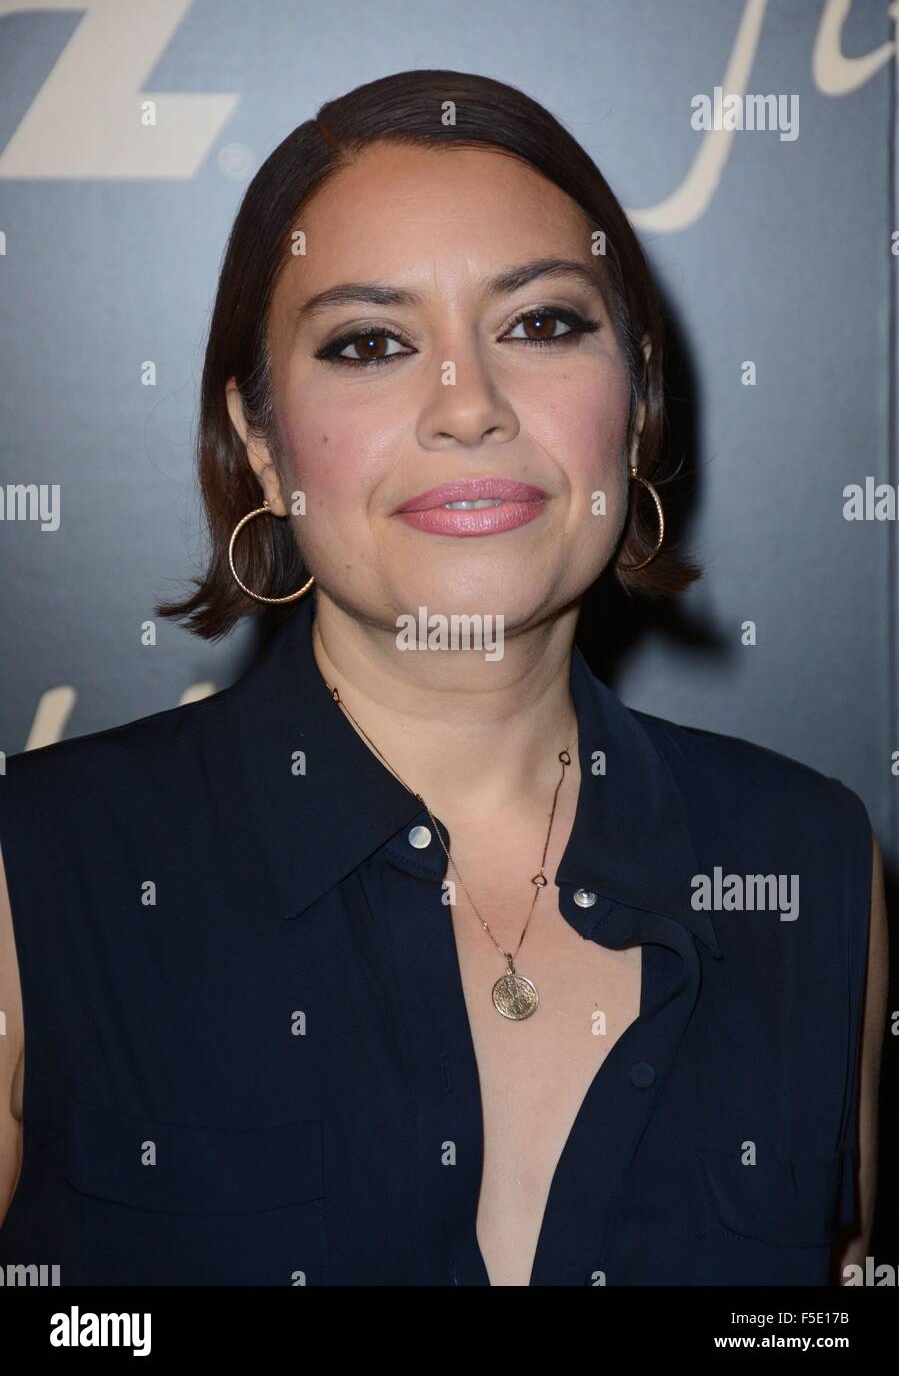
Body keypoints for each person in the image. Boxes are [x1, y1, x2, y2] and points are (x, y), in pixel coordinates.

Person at [0, 70, 887, 1287]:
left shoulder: (810, 861)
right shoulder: (38, 866)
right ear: (259, 442)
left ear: (633, 404)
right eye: (370, 342)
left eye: (539, 324)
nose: (466, 405)